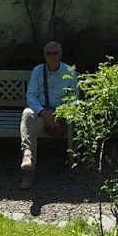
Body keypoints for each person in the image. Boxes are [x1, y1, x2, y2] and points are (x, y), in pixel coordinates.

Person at [19, 40, 77, 188]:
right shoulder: (38, 71)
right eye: (48, 54)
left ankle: (29, 168)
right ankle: (28, 161)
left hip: (59, 116)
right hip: (40, 114)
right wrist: (44, 113)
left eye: (55, 53)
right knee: (27, 114)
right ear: (44, 56)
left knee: (30, 126)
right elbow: (31, 95)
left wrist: (57, 113)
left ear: (61, 55)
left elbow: (73, 99)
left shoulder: (70, 72)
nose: (51, 56)